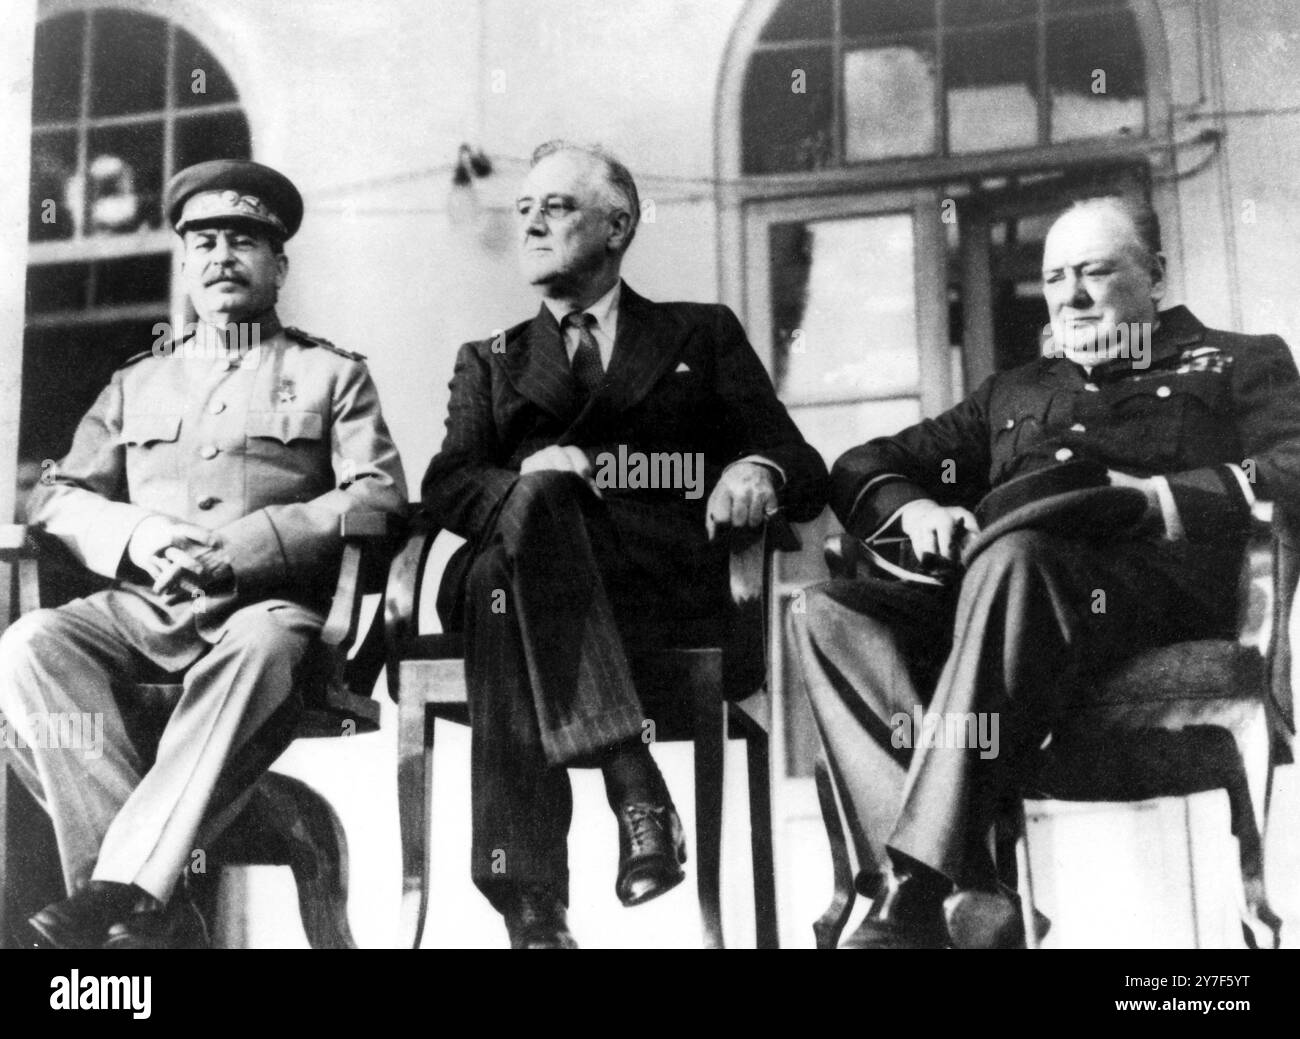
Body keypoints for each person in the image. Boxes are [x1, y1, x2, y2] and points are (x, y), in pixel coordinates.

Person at [792, 195, 1300, 949]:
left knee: (1014, 555)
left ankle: (917, 890)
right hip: (1007, 607)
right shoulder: (1015, 390)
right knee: (827, 610)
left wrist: (1156, 496)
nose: (1072, 295)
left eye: (1096, 271)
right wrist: (917, 511)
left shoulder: (1237, 358)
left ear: (1154, 276)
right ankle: (973, 884)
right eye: (1057, 276)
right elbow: (866, 464)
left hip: (1151, 593)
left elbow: (1293, 465)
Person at [421, 139, 827, 948]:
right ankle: (633, 782)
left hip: (654, 581)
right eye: (524, 208)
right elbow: (447, 486)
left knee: (511, 570)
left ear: (618, 225)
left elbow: (801, 464)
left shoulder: (699, 335)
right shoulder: (490, 360)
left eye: (557, 207)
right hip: (521, 574)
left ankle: (533, 909)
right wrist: (531, 481)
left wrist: (754, 467)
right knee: (527, 522)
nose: (531, 224)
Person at [0, 159, 407, 949]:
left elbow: (377, 495)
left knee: (256, 646)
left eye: (246, 240)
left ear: (279, 265)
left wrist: (249, 549)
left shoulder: (332, 375)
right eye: (205, 241)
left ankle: (116, 893)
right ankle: (150, 906)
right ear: (185, 264)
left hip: (265, 615)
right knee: (27, 646)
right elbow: (52, 496)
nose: (223, 255)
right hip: (145, 607)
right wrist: (137, 535)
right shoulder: (136, 382)